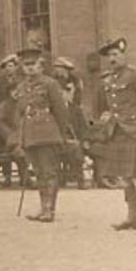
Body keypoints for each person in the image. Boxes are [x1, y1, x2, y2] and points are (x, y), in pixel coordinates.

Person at [96, 37, 136, 231]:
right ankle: (132, 216)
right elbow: (105, 106)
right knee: (125, 177)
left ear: (124, 54)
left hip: (135, 131)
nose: (112, 59)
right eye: (109, 55)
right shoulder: (109, 79)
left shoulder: (134, 75)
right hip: (118, 131)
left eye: (116, 54)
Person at [15, 46, 72, 222]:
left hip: (48, 132)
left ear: (40, 65)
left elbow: (61, 111)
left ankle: (50, 209)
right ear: (22, 67)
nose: (30, 68)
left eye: (33, 64)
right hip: (30, 133)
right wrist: (21, 137)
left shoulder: (50, 84)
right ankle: (42, 207)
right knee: (38, 172)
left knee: (49, 172)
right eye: (26, 65)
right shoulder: (22, 86)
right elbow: (20, 112)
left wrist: (61, 134)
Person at [50, 57, 89, 188]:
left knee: (76, 146)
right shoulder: (52, 108)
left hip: (73, 137)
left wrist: (83, 139)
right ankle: (63, 177)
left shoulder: (75, 83)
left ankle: (78, 178)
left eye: (67, 93)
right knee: (72, 147)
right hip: (58, 138)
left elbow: (82, 126)